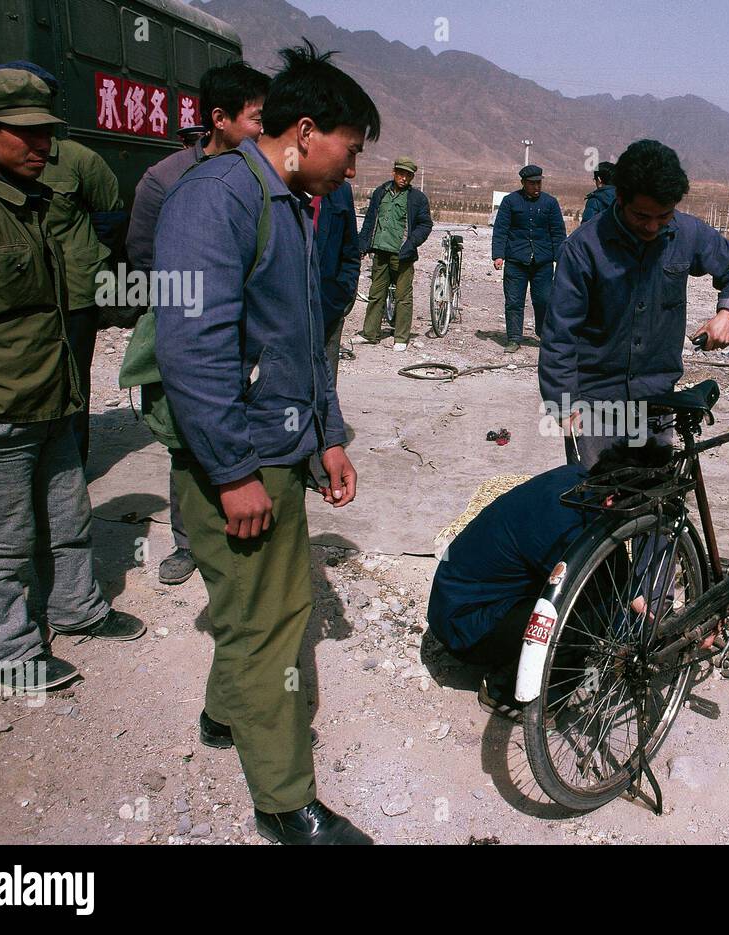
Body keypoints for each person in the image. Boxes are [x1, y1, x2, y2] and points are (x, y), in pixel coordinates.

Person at [151, 42, 377, 845]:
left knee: (253, 609)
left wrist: (327, 438)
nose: (353, 169)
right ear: (307, 130)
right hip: (238, 463)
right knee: (274, 622)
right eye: (350, 151)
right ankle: (286, 805)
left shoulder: (288, 203)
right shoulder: (217, 199)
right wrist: (235, 469)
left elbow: (299, 343)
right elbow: (194, 348)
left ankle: (224, 716)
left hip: (278, 453)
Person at [0, 69, 145, 693]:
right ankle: (4, 655)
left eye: (47, 133)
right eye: (25, 134)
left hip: (52, 400)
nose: (42, 147)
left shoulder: (30, 202)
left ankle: (76, 610)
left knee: (66, 516)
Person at [126, 61, 269, 586]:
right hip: (190, 330)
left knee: (239, 437)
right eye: (255, 118)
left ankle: (239, 533)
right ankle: (188, 542)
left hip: (250, 337)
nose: (262, 129)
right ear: (219, 119)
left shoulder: (261, 179)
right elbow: (144, 257)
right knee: (186, 440)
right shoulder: (166, 180)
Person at [540, 139, 729, 465]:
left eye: (664, 216)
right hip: (596, 403)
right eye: (642, 216)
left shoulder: (687, 232)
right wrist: (563, 404)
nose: (653, 227)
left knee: (653, 502)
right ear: (621, 198)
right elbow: (560, 335)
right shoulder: (583, 249)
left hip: (656, 401)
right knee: (597, 504)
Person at [428, 439, 671, 715]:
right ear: (613, 499)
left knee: (598, 602)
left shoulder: (580, 482)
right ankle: (502, 691)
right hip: (464, 622)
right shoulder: (559, 524)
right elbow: (599, 588)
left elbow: (611, 555)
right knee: (583, 615)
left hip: (473, 596)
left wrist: (649, 614)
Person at [0, 61, 124, 469]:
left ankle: (71, 468)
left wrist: (85, 257)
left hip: (74, 291)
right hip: (12, 292)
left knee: (74, 383)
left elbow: (111, 215)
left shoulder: (79, 160)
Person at [354, 157, 432, 351]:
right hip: (380, 251)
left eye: (408, 175)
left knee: (403, 296)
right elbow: (370, 221)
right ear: (394, 172)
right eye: (401, 173)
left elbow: (425, 224)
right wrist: (362, 245)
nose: (404, 178)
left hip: (402, 254)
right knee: (375, 293)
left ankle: (401, 337)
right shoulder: (381, 192)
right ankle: (370, 333)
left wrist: (411, 243)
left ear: (412, 177)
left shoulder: (417, 198)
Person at [492, 164, 566, 353]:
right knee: (514, 301)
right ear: (523, 183)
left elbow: (558, 232)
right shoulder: (510, 202)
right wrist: (498, 255)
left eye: (539, 183)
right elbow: (501, 230)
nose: (537, 187)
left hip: (543, 262)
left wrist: (561, 257)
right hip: (516, 261)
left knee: (543, 300)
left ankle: (544, 334)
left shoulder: (550, 203)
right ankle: (514, 338)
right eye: (532, 183)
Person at [314, 180, 361, 379]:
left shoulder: (341, 191)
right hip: (284, 315)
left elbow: (350, 250)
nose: (351, 170)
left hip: (329, 307)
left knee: (325, 390)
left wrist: (344, 294)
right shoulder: (279, 185)